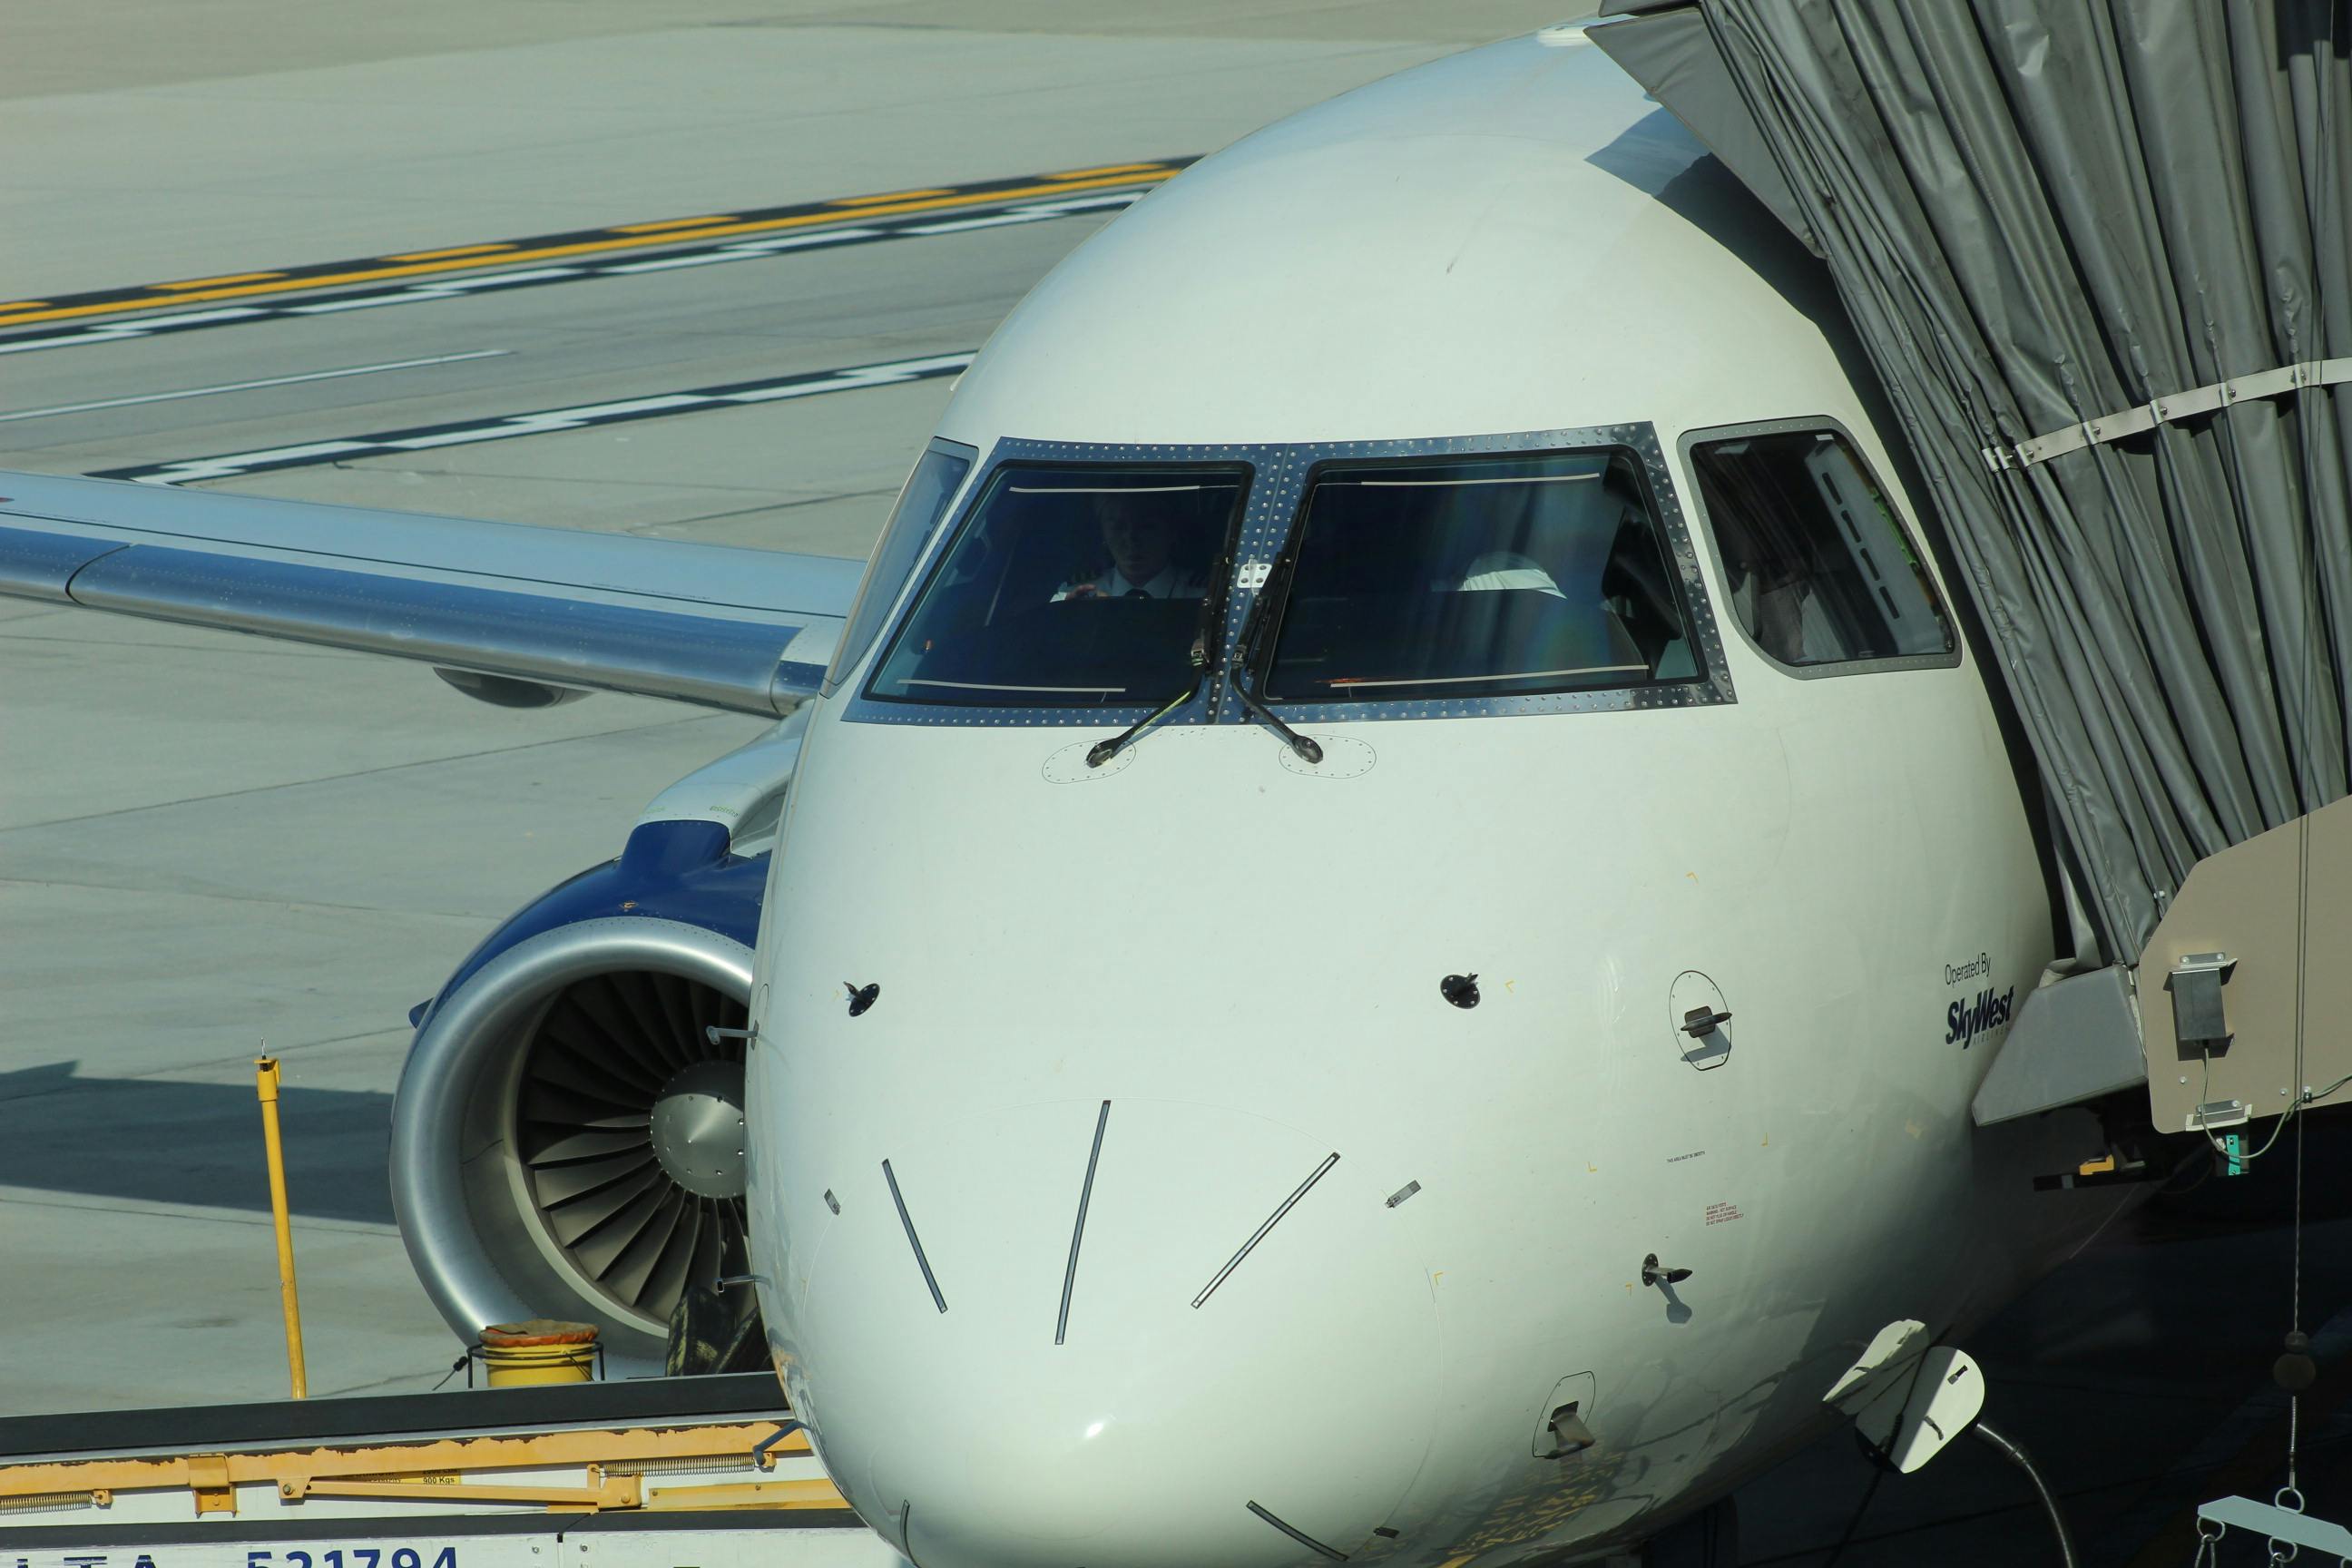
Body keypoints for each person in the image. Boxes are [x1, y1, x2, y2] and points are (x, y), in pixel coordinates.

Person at [1053, 496, 1207, 601]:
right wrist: (1068, 616)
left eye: (1146, 527)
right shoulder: (1075, 594)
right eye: (1118, 527)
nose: (1131, 539)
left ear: (1172, 532)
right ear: (1103, 534)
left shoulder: (1202, 596)